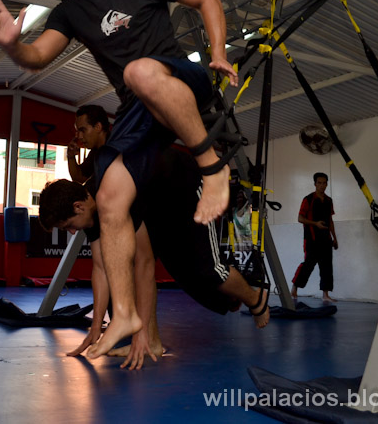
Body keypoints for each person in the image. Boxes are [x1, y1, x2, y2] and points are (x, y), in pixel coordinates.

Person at [0, 0, 235, 357]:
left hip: (181, 83)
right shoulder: (72, 12)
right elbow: (37, 57)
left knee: (140, 71)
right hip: (140, 111)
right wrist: (12, 48)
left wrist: (217, 52)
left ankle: (213, 168)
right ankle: (126, 314)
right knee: (110, 198)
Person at [39, 148, 269, 369]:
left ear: (78, 207)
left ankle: (255, 298)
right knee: (137, 270)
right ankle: (153, 343)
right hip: (154, 202)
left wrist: (137, 334)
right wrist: (95, 327)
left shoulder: (113, 197)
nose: (71, 232)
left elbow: (145, 264)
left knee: (206, 269)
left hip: (184, 184)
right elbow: (101, 269)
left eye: (68, 226)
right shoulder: (90, 212)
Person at [292, 172, 338, 302]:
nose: (322, 185)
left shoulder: (329, 201)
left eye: (324, 183)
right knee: (308, 265)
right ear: (315, 184)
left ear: (327, 184)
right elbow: (300, 218)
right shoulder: (308, 199)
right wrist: (315, 224)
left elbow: (330, 220)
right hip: (311, 238)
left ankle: (325, 295)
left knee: (327, 267)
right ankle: (295, 287)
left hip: (326, 239)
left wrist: (334, 238)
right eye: (319, 183)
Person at [67, 104, 109, 184]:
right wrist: (71, 156)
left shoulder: (118, 150)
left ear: (98, 127)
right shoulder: (96, 152)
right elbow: (79, 178)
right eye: (78, 131)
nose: (79, 136)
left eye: (83, 130)